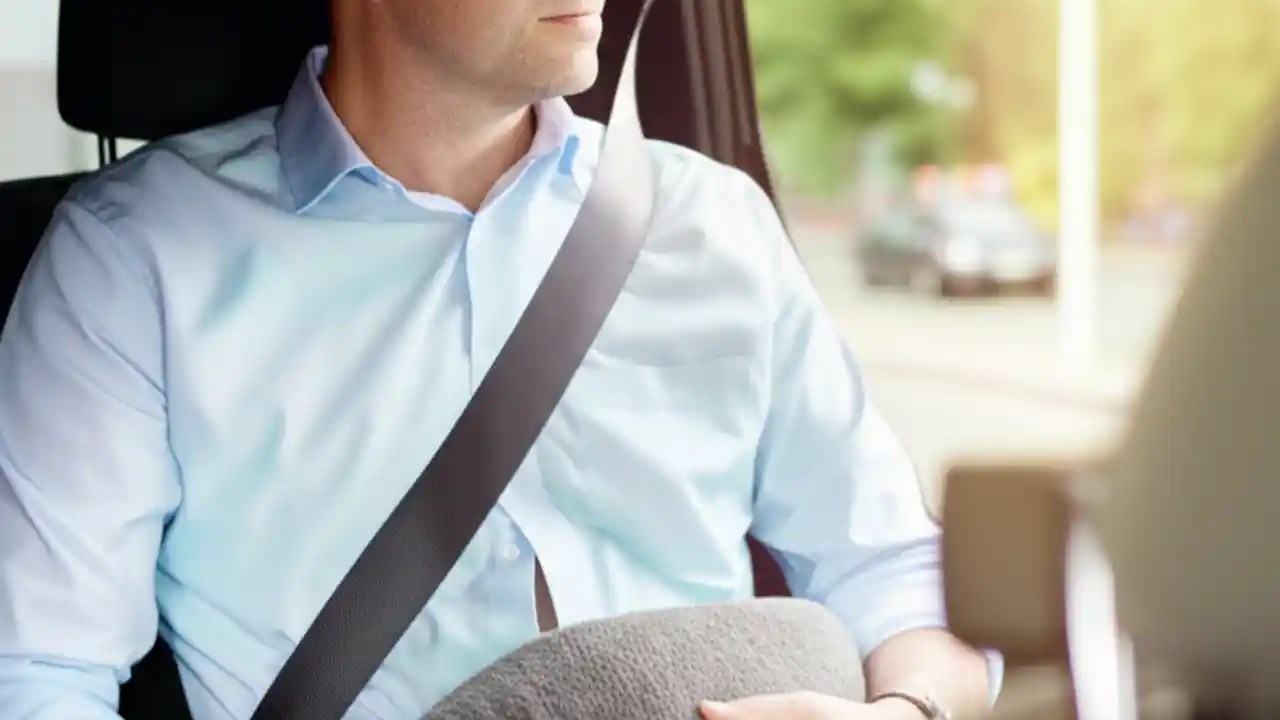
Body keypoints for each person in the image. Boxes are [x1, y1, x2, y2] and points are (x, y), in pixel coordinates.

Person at [0, 1, 998, 718]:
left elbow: (899, 570)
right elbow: (40, 675)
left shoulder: (715, 225)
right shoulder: (132, 258)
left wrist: (900, 712)